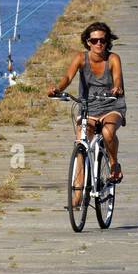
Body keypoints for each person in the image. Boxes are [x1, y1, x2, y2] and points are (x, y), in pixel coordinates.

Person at [47, 21, 126, 183]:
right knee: (81, 142)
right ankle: (78, 190)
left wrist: (117, 87)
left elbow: (117, 78)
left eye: (102, 40)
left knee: (107, 132)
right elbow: (68, 77)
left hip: (111, 105)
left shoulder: (113, 58)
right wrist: (58, 88)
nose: (98, 44)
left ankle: (114, 165)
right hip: (88, 107)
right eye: (94, 41)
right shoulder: (80, 58)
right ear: (88, 42)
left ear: (107, 41)